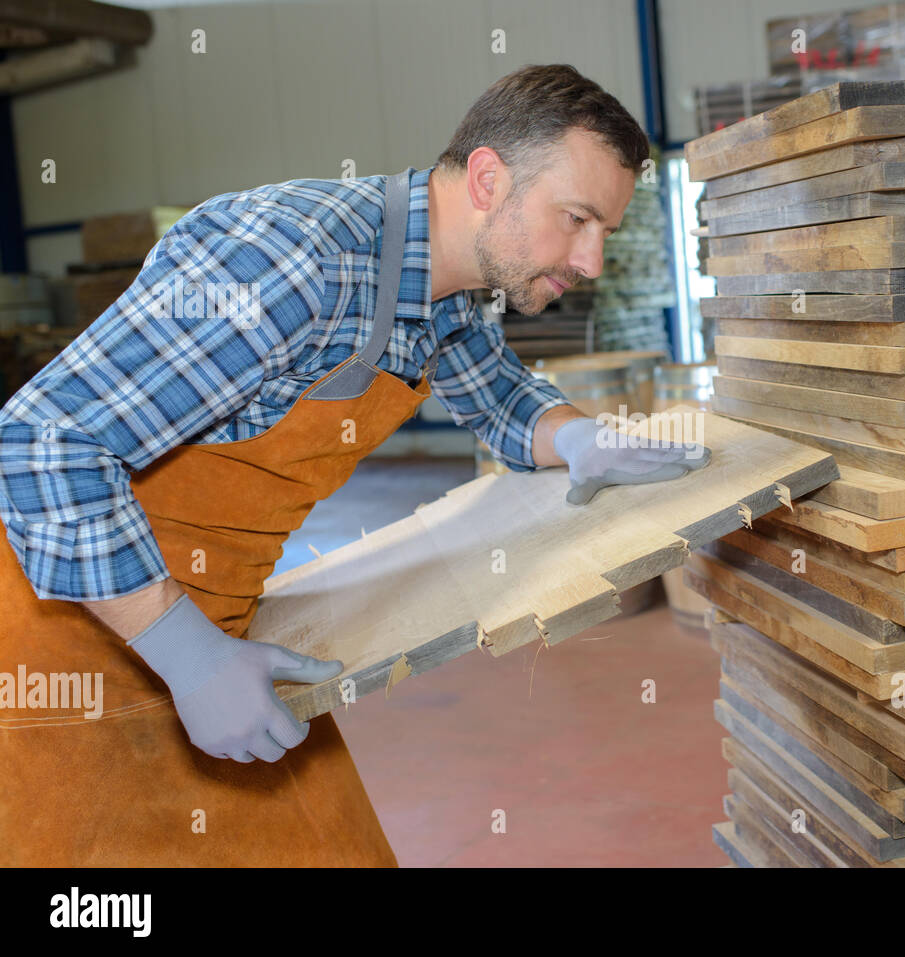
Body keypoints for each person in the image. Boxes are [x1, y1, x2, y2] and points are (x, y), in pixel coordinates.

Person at [0, 63, 708, 866]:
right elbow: (42, 443)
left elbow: (501, 397)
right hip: (67, 645)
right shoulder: (294, 263)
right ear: (487, 178)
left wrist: (580, 436)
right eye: (577, 219)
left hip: (220, 636)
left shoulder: (448, 288)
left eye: (605, 231)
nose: (592, 261)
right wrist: (183, 654)